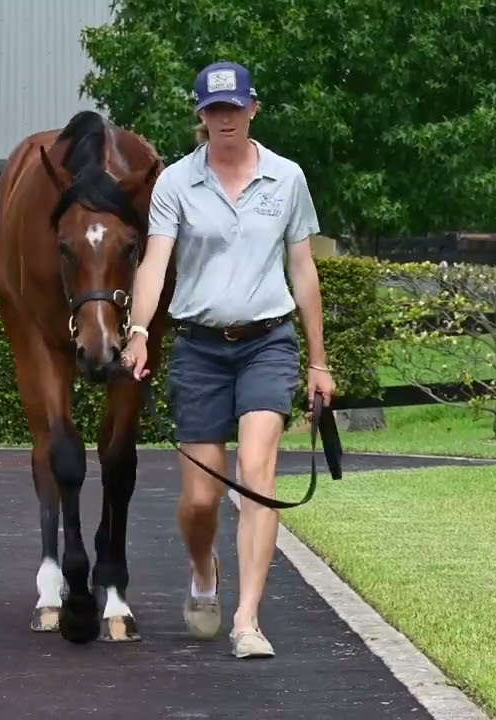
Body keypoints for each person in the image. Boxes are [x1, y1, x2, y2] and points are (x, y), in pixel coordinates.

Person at [121, 60, 335, 659]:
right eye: (214, 110)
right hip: (199, 349)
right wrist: (138, 331)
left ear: (252, 109)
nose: (225, 120)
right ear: (200, 115)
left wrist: (318, 361)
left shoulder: (287, 178)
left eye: (234, 108)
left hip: (269, 342)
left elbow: (303, 269)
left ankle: (247, 619)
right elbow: (155, 263)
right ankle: (204, 572)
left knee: (258, 475)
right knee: (199, 502)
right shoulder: (176, 184)